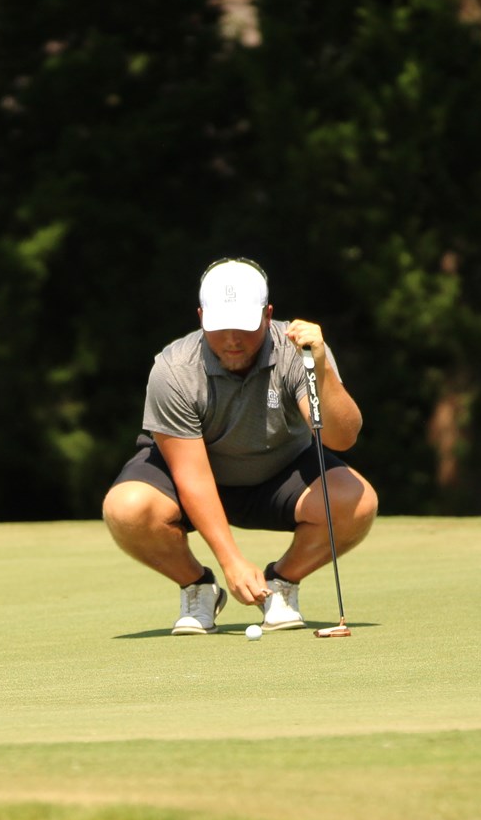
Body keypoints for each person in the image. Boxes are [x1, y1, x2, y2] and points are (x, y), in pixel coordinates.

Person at [102, 257, 378, 634]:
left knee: (357, 501)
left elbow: (341, 437)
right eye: (219, 326)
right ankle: (198, 586)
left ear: (268, 315)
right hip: (197, 478)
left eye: (244, 326)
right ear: (200, 316)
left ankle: (281, 584)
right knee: (126, 508)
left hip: (279, 473)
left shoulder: (299, 351)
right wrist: (230, 561)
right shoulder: (173, 370)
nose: (232, 339)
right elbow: (193, 477)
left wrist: (322, 369)